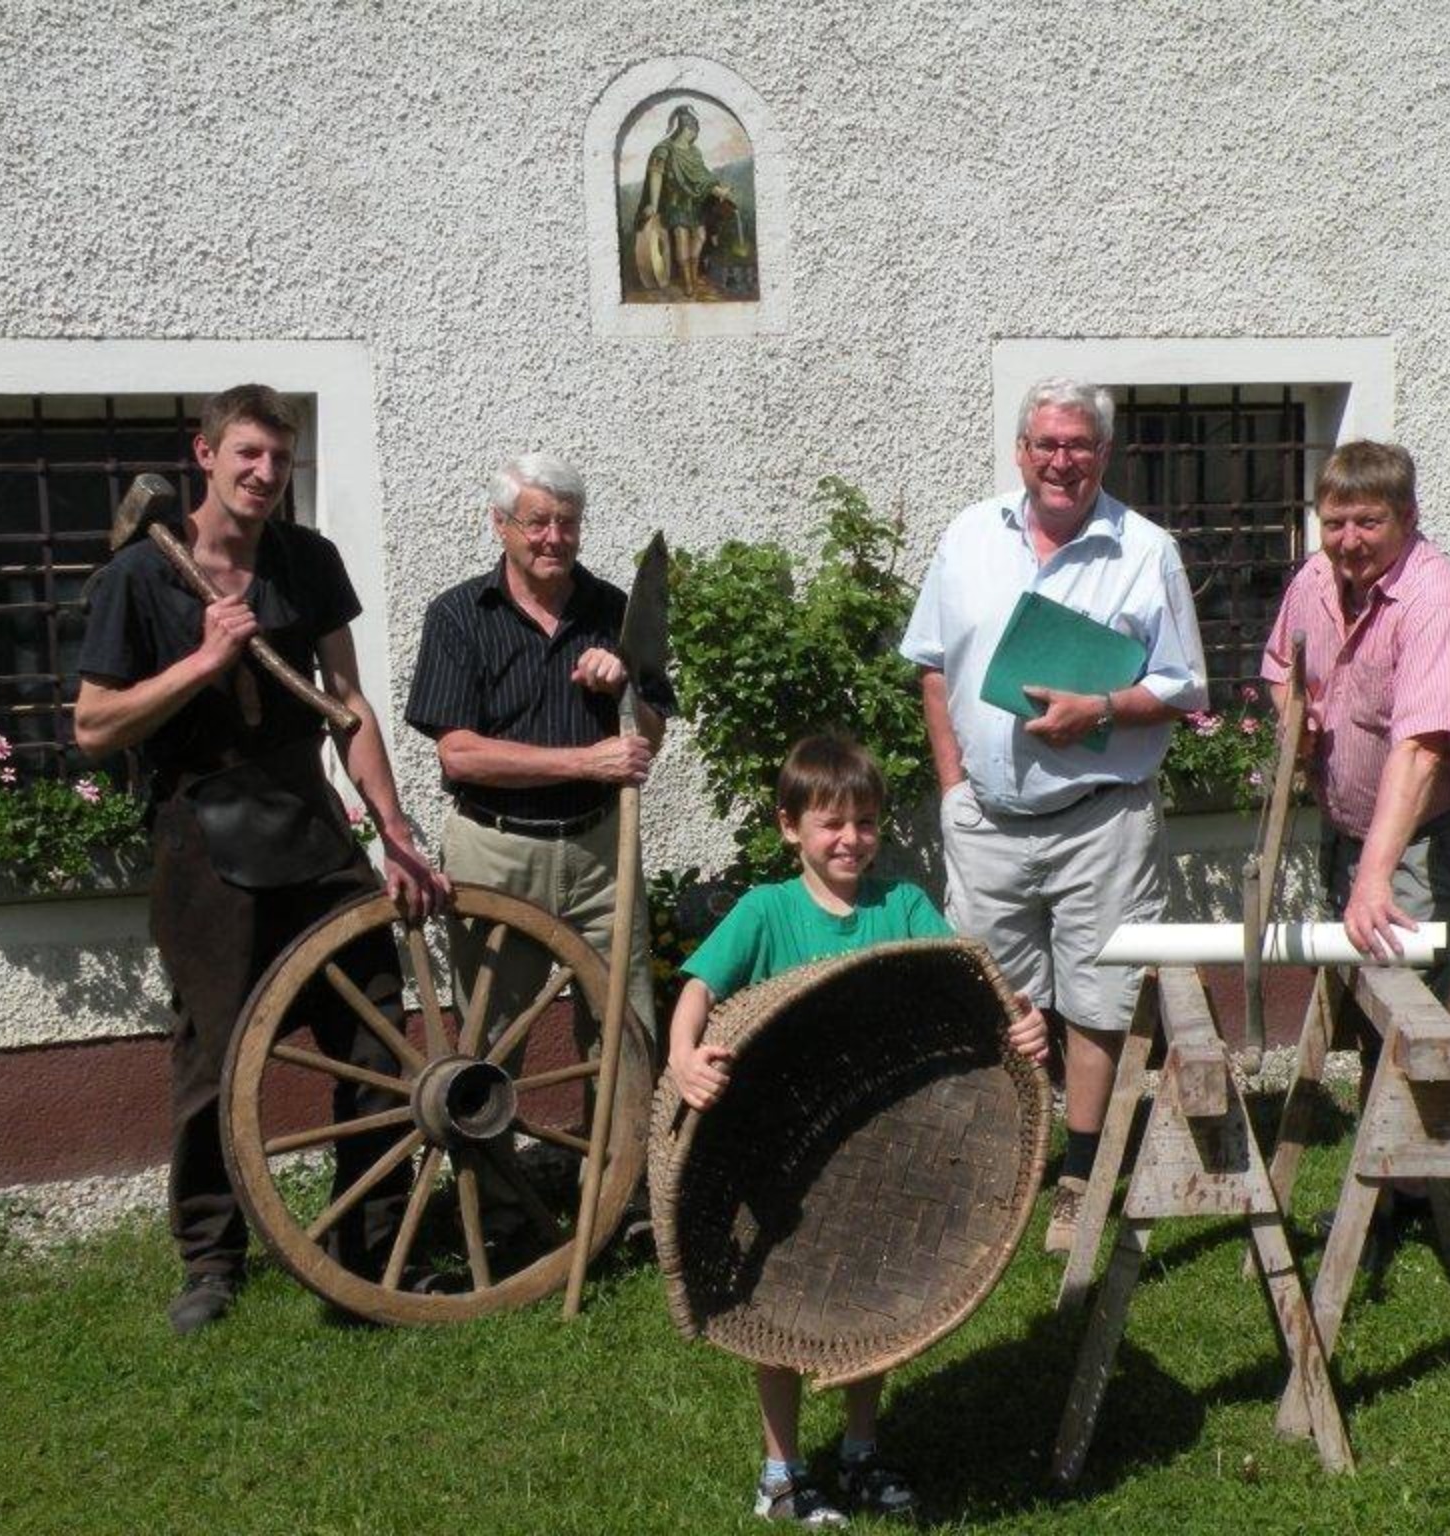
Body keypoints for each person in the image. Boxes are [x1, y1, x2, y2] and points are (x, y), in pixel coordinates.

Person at [75, 383, 450, 1334]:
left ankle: (369, 1251)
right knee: (214, 1058)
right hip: (200, 829)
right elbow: (93, 726)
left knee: (375, 1041)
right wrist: (203, 663)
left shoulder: (305, 560)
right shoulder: (138, 579)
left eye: (279, 457)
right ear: (204, 454)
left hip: (310, 823)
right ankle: (211, 1259)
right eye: (247, 453)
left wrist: (393, 832)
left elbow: (348, 705)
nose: (264, 472)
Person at [667, 736, 1047, 1525]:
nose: (851, 839)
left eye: (866, 822)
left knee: (872, 1296)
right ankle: (782, 1472)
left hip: (879, 1148)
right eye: (831, 823)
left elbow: (965, 976)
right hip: (777, 1154)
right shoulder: (766, 910)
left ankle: (861, 1453)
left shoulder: (898, 906)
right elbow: (699, 987)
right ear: (790, 827)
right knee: (776, 1312)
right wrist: (682, 1055)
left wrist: (1022, 1024)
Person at [900, 376, 1207, 1255]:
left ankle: (1079, 1176)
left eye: (1078, 445)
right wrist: (952, 788)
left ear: (1103, 454)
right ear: (1021, 451)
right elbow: (932, 665)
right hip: (987, 821)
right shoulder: (968, 536)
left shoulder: (1145, 551)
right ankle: (1011, 1159)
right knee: (997, 998)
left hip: (1098, 822)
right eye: (1047, 444)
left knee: (1099, 1004)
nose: (1061, 461)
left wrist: (1100, 710)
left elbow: (1185, 687)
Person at [405, 455, 669, 1248]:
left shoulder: (613, 610)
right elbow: (459, 754)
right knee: (492, 1040)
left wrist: (625, 691)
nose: (554, 537)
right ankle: (498, 1208)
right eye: (537, 521)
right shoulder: (459, 616)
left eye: (567, 522)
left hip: (599, 850)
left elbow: (650, 737)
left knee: (624, 1028)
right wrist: (584, 761)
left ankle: (619, 1199)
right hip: (497, 851)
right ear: (501, 526)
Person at [1261, 439, 1450, 1262]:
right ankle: (1410, 1185)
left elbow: (1423, 751)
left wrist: (1371, 880)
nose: (1349, 540)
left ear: (1408, 517)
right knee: (1368, 1009)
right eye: (1334, 522)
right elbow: (1280, 667)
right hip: (1349, 824)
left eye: (1368, 522)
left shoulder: (1438, 603)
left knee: (1404, 1009)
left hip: (1426, 837)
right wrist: (1297, 715)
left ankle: (1389, 1203)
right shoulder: (1314, 579)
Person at [637, 103, 736, 299]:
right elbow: (656, 175)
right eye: (694, 131)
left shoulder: (694, 152)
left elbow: (703, 177)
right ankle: (688, 282)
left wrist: (719, 191)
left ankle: (693, 274)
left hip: (695, 204)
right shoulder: (663, 150)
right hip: (675, 203)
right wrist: (654, 204)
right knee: (681, 239)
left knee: (700, 236)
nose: (695, 135)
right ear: (686, 129)